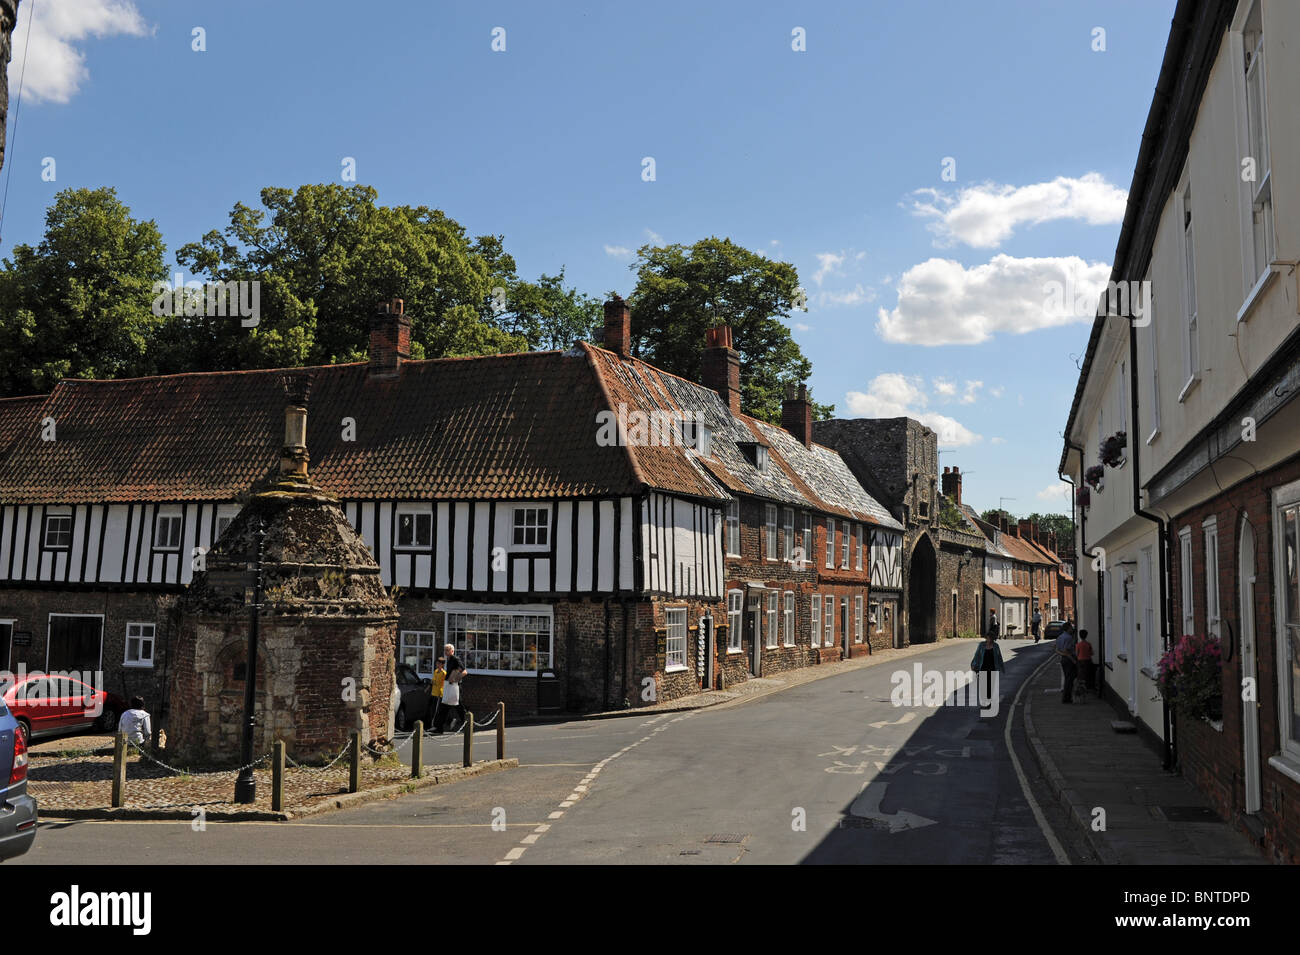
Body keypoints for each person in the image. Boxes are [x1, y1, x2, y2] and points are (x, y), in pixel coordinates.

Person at [434, 643, 467, 733]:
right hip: (449, 686)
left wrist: (455, 679)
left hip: (455, 687)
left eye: (448, 650)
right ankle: (439, 728)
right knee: (444, 707)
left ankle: (467, 725)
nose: (446, 651)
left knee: (459, 707)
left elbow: (464, 672)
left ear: (452, 651)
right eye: (445, 650)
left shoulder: (455, 659)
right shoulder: (448, 660)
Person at [970, 633, 1004, 706]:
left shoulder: (995, 646)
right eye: (988, 638)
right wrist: (973, 664)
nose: (989, 640)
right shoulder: (981, 645)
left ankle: (988, 701)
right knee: (983, 686)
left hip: (992, 668)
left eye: (990, 638)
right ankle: (984, 700)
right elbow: (977, 655)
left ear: (993, 639)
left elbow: (999, 656)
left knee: (990, 686)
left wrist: (1001, 667)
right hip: (983, 668)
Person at [1055, 620, 1078, 703]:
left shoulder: (1060, 637)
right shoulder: (1068, 637)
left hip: (1063, 660)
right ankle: (1066, 699)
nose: (1072, 629)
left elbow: (1056, 650)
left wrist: (1063, 655)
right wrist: (1073, 660)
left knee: (1068, 679)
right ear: (1068, 628)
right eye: (1071, 627)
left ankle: (1066, 698)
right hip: (1069, 660)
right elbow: (1066, 650)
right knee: (1069, 680)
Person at [427, 656, 446, 730]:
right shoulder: (435, 671)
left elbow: (443, 683)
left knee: (436, 710)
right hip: (433, 693)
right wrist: (428, 688)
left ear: (442, 664)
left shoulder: (444, 673)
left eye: (438, 663)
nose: (437, 665)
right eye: (436, 663)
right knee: (432, 709)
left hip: (439, 693)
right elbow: (433, 681)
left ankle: (434, 726)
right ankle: (432, 725)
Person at [1075, 630, 1095, 697]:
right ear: (1086, 636)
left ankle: (1080, 689)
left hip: (1080, 661)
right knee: (1088, 675)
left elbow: (1076, 654)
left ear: (1080, 636)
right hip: (1088, 661)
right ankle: (1087, 688)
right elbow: (1092, 653)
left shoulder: (1078, 645)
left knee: (1080, 676)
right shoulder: (1088, 644)